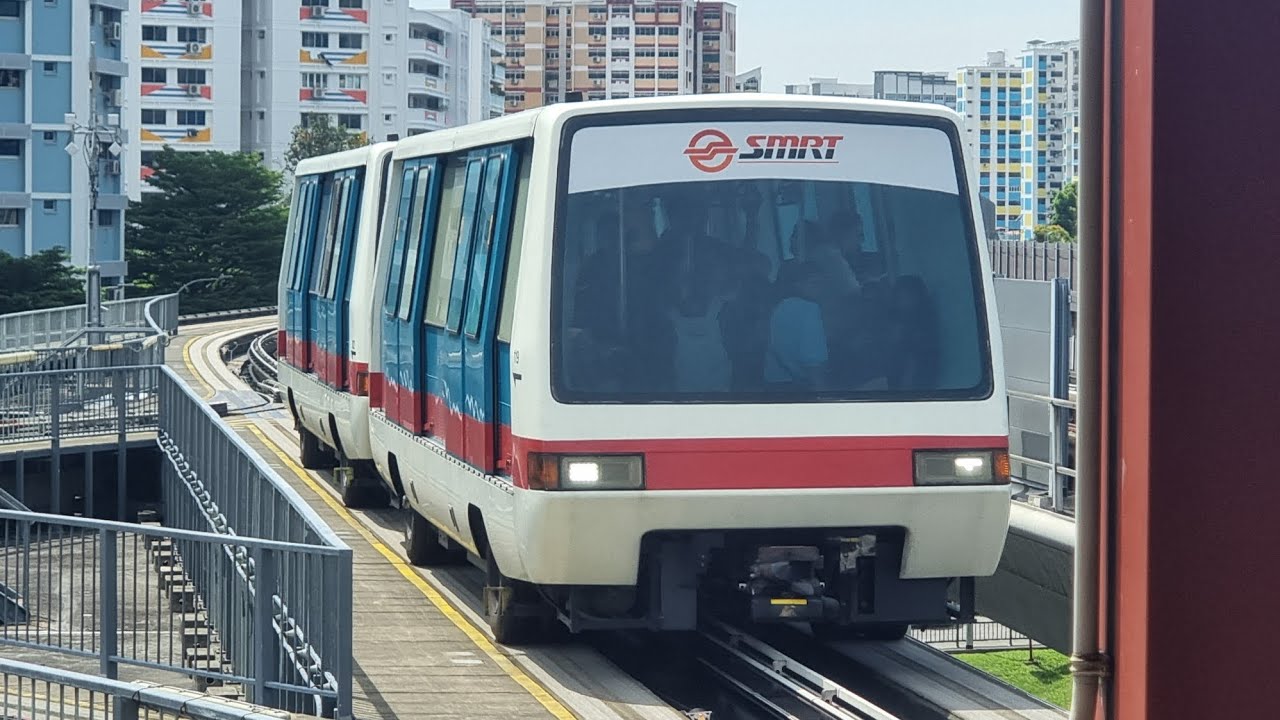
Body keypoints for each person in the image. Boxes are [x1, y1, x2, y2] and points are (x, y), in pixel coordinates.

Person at [764, 261, 830, 390]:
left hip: (775, 385)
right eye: (814, 283)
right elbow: (813, 361)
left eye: (823, 284)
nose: (821, 289)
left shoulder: (779, 307)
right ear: (797, 284)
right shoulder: (809, 309)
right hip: (800, 388)